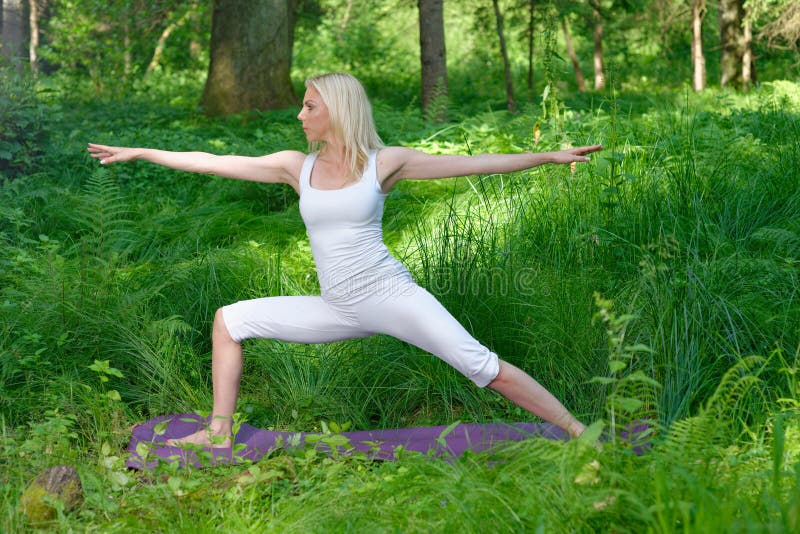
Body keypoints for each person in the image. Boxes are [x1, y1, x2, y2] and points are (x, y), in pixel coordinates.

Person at [88, 72, 602, 448]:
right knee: (229, 321)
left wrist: (548, 156)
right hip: (336, 306)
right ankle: (219, 433)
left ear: (336, 108)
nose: (300, 114)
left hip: (390, 297)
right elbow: (215, 162)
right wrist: (143, 152)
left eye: (309, 106)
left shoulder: (386, 163)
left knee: (483, 367)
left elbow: (472, 164)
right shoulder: (295, 167)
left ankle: (582, 433)